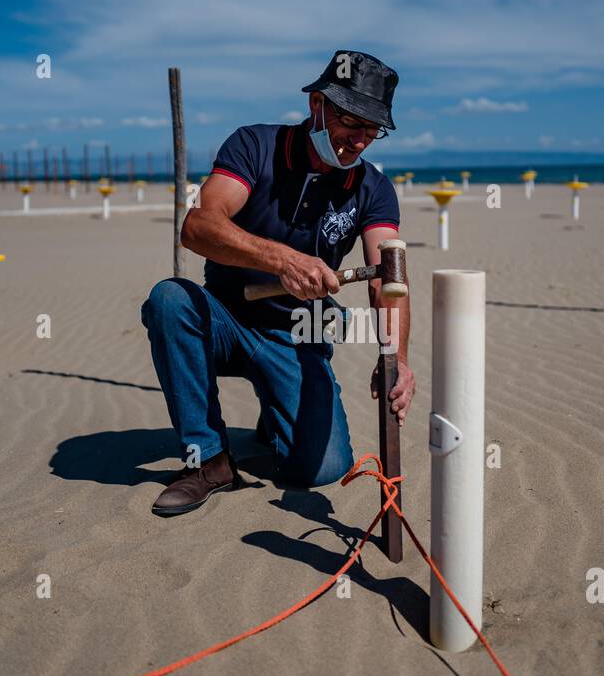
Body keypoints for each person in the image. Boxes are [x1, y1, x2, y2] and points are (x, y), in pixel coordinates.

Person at [140, 50, 416, 516]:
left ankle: (278, 410)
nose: (360, 140)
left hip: (298, 334)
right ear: (317, 105)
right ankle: (207, 461)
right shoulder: (255, 146)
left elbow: (388, 277)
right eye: (352, 121)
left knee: (321, 471)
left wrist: (398, 360)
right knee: (170, 300)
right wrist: (281, 259)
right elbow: (198, 228)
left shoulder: (374, 188)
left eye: (373, 130)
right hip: (225, 318)